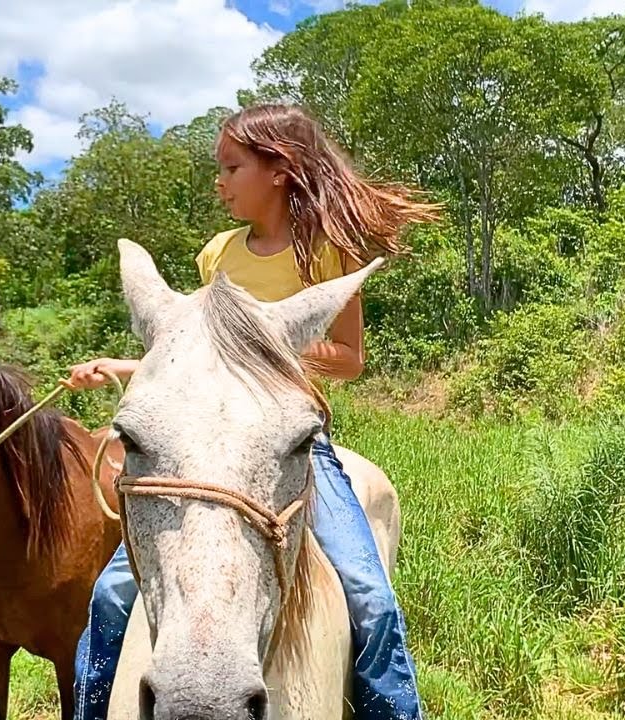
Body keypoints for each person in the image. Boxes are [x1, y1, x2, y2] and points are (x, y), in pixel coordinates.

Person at [65, 103, 440, 720]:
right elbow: (199, 358)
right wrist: (123, 367)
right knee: (109, 596)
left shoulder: (328, 251)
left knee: (370, 597)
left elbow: (348, 358)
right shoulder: (216, 256)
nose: (220, 181)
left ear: (279, 169)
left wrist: (268, 342)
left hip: (289, 447)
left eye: (232, 167)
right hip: (201, 443)